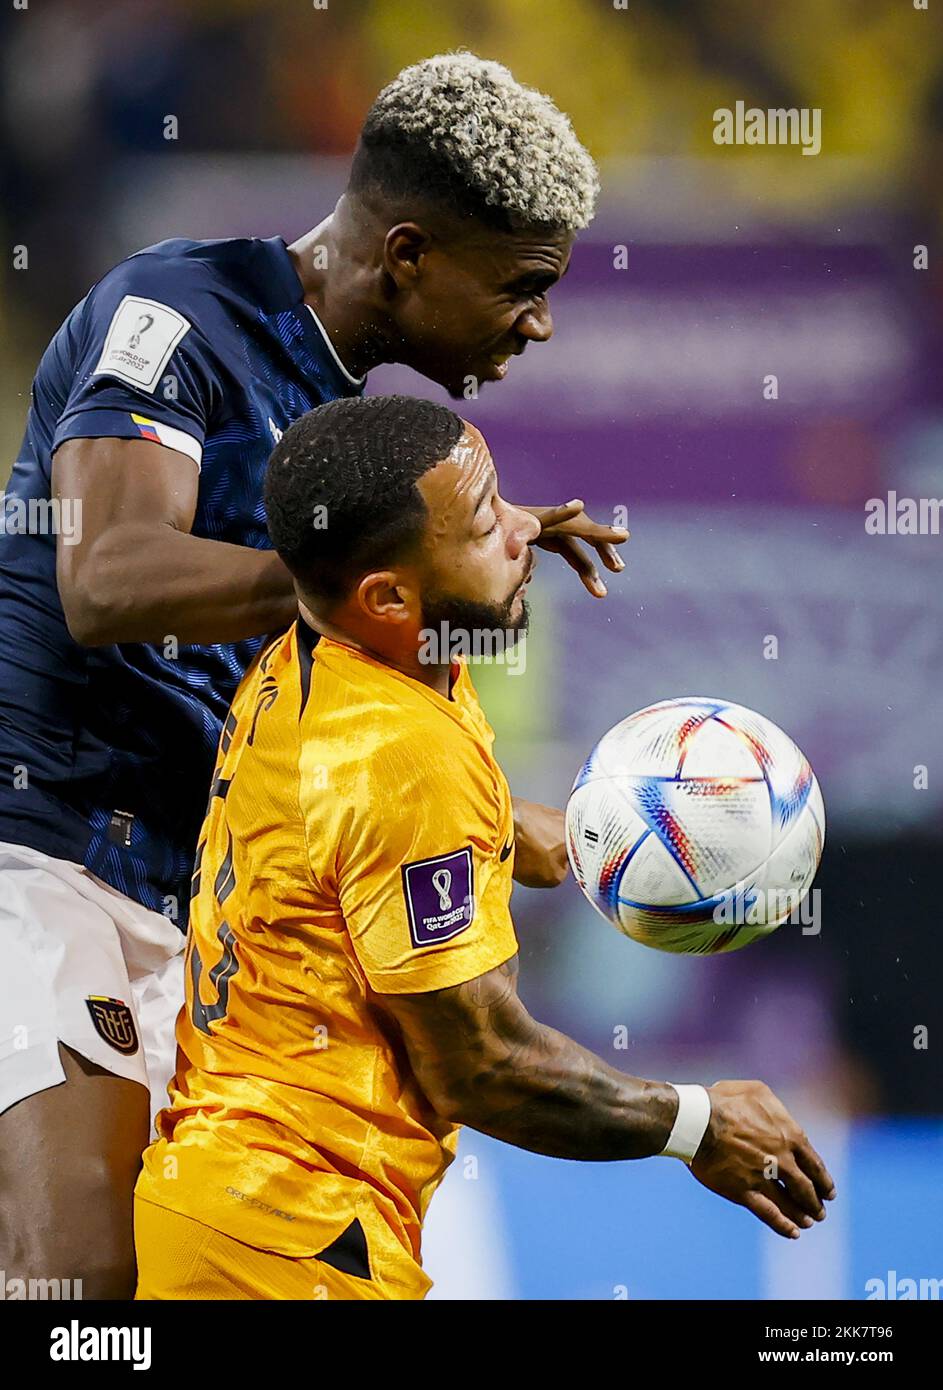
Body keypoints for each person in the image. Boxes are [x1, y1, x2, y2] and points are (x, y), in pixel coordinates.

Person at [0, 53, 627, 1299]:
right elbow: (109, 575)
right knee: (78, 1277)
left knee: (178, 1280)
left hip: (191, 897)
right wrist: (367, 572)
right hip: (43, 848)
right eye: (522, 287)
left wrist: (537, 830)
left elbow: (347, 744)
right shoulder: (174, 316)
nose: (536, 325)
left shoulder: (341, 423)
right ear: (406, 255)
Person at [134, 395, 836, 1301]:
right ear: (388, 595)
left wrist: (500, 829)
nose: (525, 531)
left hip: (241, 1208)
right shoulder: (404, 755)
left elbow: (340, 825)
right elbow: (483, 1066)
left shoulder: (327, 657)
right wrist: (696, 1123)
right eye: (483, 523)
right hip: (283, 1238)